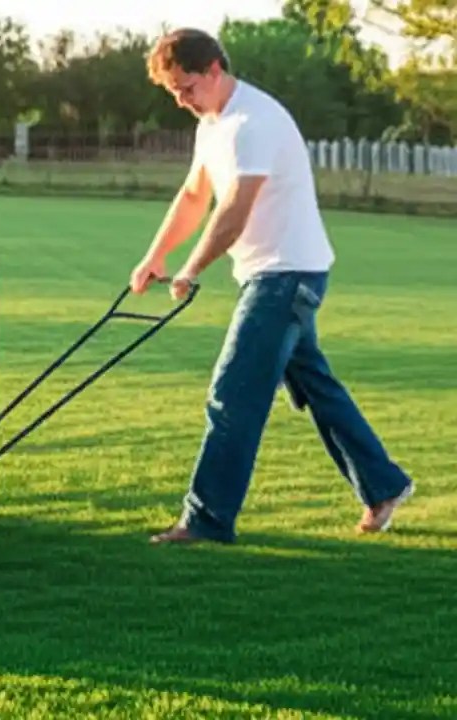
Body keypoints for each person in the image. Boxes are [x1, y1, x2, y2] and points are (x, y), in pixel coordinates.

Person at [131, 28, 415, 544]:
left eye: (187, 87)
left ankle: (206, 521)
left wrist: (191, 267)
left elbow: (234, 209)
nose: (182, 100)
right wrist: (157, 254)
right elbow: (196, 196)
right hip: (275, 273)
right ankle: (383, 485)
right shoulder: (213, 123)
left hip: (286, 275)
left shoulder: (253, 121)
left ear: (215, 69)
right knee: (318, 389)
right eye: (173, 91)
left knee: (232, 393)